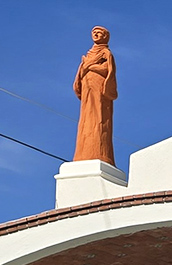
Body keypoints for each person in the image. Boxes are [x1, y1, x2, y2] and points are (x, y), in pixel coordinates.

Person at [73, 26, 118, 166]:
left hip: (100, 90)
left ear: (105, 36)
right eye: (94, 32)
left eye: (99, 33)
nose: (96, 35)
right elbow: (81, 72)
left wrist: (90, 66)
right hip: (87, 89)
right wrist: (85, 67)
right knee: (86, 119)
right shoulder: (90, 54)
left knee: (99, 118)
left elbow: (107, 69)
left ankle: (100, 153)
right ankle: (83, 153)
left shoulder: (105, 53)